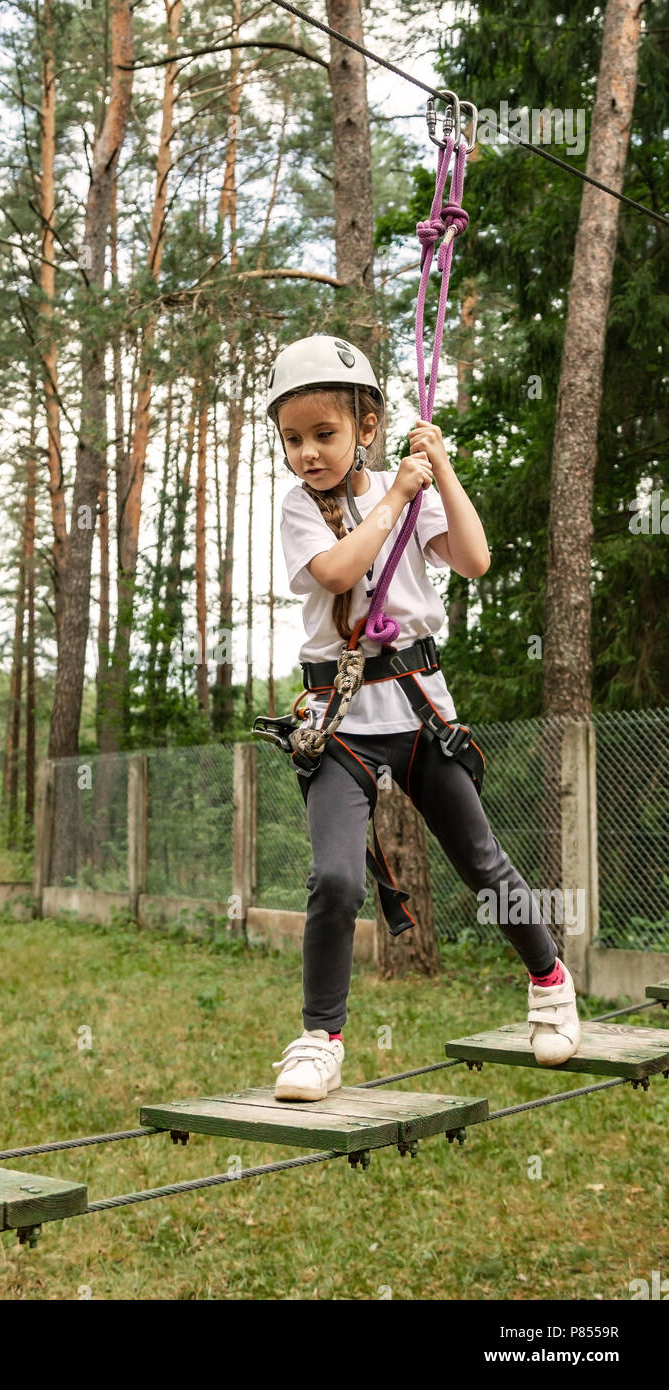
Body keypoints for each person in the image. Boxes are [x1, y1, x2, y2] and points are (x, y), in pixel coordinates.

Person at [267, 333, 581, 1102]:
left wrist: (436, 470)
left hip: (416, 709)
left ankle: (549, 981)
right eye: (292, 439)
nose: (308, 453)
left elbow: (472, 558)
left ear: (366, 428)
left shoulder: (410, 487)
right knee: (335, 878)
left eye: (325, 434)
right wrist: (399, 498)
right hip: (338, 716)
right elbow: (339, 572)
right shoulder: (300, 510)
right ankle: (320, 1038)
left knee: (483, 862)